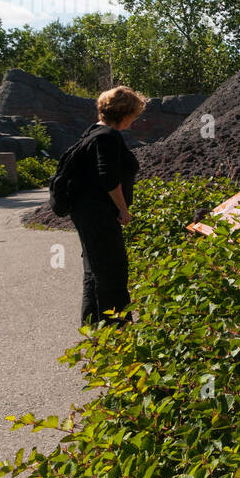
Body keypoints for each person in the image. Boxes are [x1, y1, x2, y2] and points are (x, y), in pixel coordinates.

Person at [69, 86, 145, 327]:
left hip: (86, 214)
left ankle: (92, 327)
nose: (135, 119)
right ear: (124, 113)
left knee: (94, 271)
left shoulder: (92, 133)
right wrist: (123, 209)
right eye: (134, 114)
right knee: (113, 270)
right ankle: (118, 330)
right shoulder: (108, 137)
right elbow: (109, 179)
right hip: (99, 215)